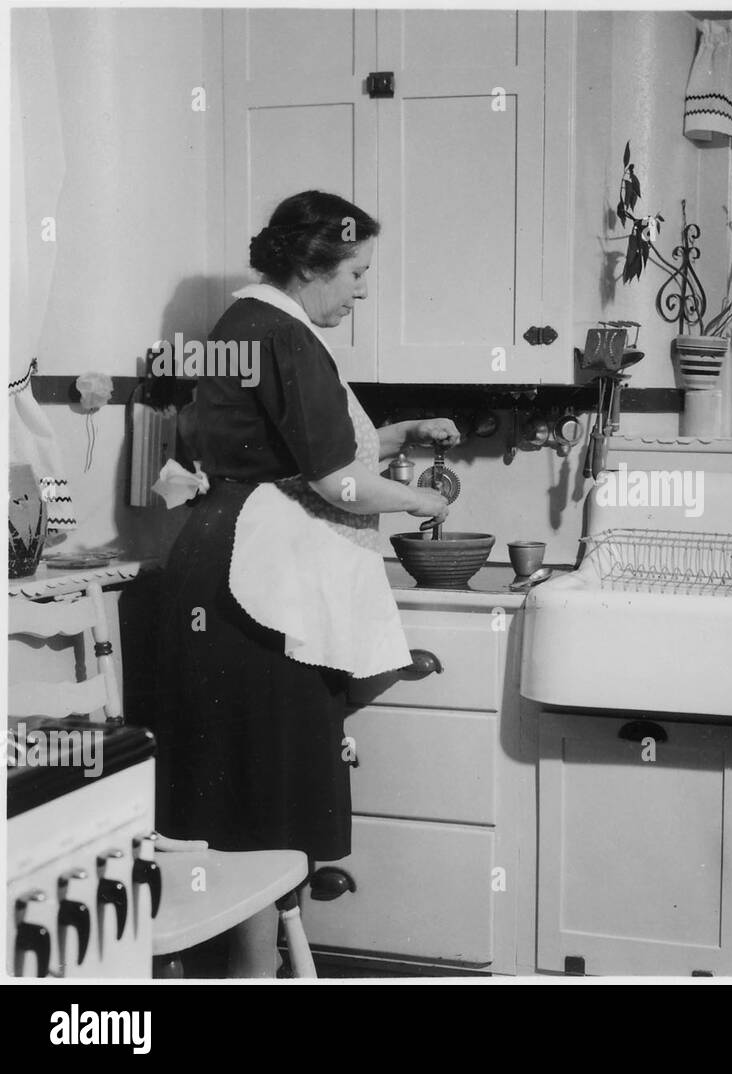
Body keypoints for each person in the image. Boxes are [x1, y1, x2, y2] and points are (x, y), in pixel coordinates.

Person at [151, 190, 454, 975]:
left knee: (242, 795)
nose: (362, 287)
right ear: (312, 264)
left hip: (220, 565)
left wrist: (396, 436)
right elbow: (330, 481)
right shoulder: (281, 333)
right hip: (250, 585)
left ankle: (250, 970)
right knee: (259, 801)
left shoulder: (245, 326)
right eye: (356, 270)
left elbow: (291, 452)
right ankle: (251, 974)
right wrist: (423, 496)